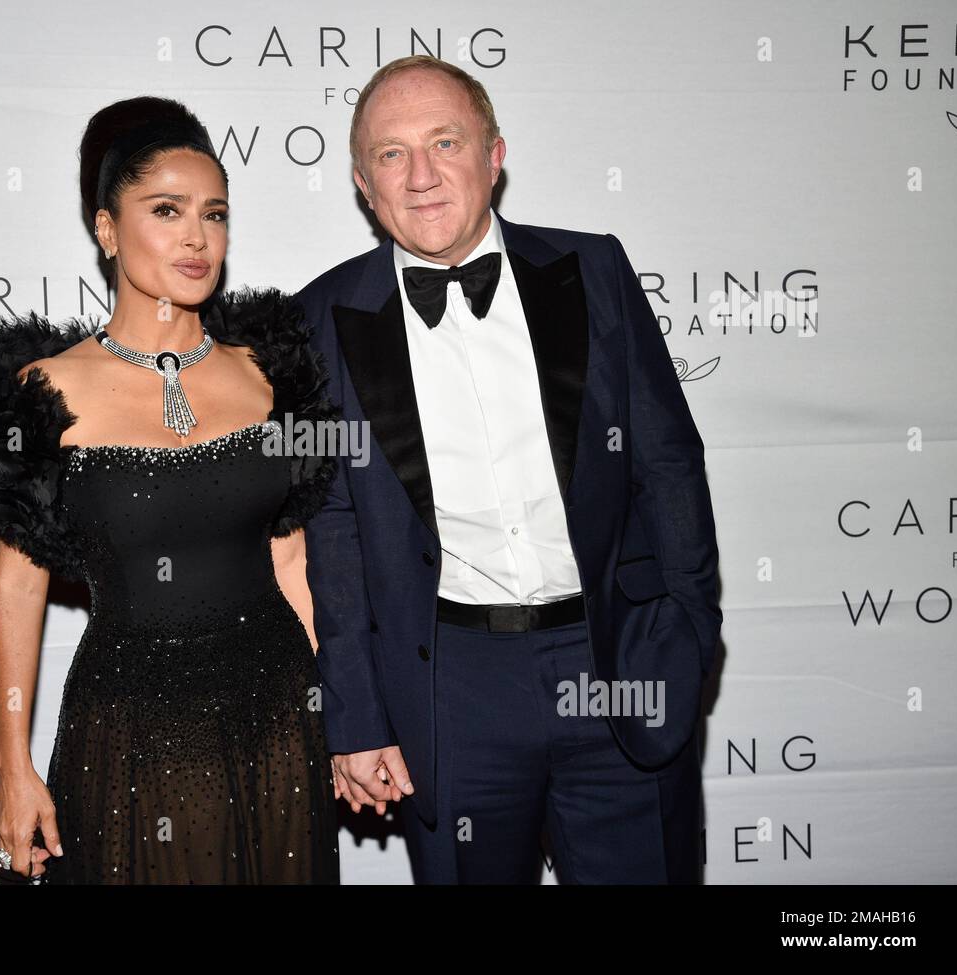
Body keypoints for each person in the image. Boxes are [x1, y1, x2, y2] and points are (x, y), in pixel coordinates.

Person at [297, 56, 722, 883]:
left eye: (445, 142)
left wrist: (688, 628)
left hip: (615, 660)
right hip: (450, 685)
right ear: (361, 182)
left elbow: (669, 461)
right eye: (391, 154)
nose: (420, 176)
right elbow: (333, 532)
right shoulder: (321, 317)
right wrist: (353, 716)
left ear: (494, 155)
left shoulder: (593, 269)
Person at [0, 96, 341, 884]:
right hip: (133, 725)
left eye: (214, 214)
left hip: (277, 715)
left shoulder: (265, 370)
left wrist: (333, 720)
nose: (196, 236)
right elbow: (18, 587)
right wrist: (12, 768)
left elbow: (291, 562)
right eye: (166, 210)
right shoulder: (47, 389)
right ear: (107, 229)